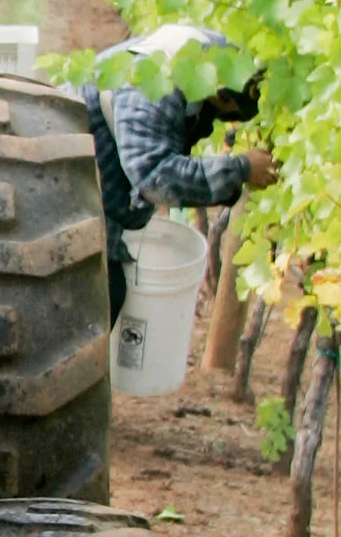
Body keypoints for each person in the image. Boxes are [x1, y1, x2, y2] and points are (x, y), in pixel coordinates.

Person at [84, 25, 276, 326]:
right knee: (101, 293)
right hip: (70, 185)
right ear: (224, 96)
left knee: (107, 291)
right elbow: (153, 176)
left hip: (92, 187)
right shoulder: (153, 84)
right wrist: (241, 168)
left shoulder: (204, 59)